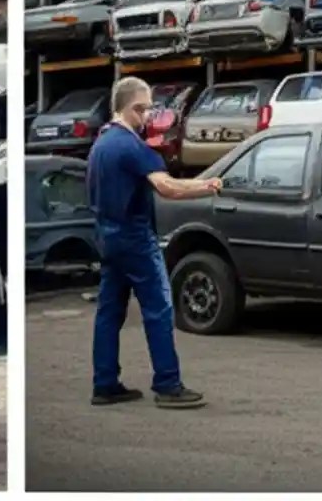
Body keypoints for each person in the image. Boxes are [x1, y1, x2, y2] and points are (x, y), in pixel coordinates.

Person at [87, 76, 222, 409]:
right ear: (133, 108)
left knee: (109, 312)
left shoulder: (99, 145)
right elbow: (167, 187)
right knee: (159, 310)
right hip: (135, 238)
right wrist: (207, 186)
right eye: (146, 109)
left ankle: (104, 384)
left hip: (107, 237)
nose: (149, 116)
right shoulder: (132, 147)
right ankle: (168, 384)